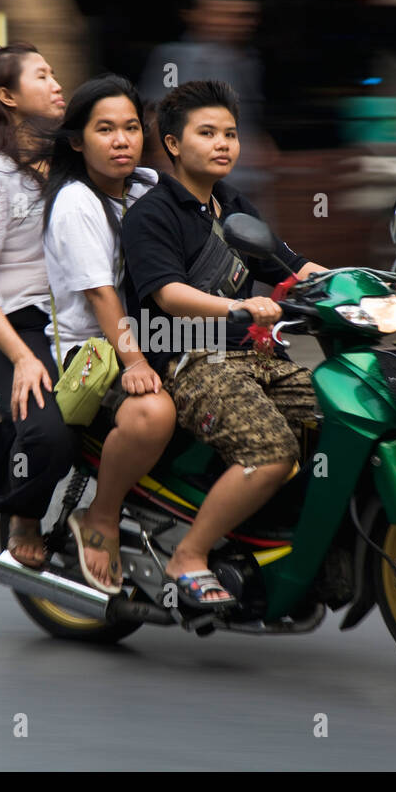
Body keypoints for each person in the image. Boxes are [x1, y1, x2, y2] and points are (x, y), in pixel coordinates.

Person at [120, 80, 327, 608]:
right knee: (271, 452)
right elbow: (167, 294)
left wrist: (344, 283)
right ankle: (188, 555)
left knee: (339, 424)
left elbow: (287, 263)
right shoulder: (152, 214)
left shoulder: (234, 205)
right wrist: (238, 308)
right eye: (207, 133)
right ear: (172, 144)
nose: (222, 144)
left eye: (230, 134)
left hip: (258, 356)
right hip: (192, 359)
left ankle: (289, 543)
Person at [0, 42, 107, 581]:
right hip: (16, 327)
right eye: (41, 76)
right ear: (8, 96)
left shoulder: (75, 165)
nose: (57, 84)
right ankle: (23, 515)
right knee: (52, 431)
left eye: (55, 73)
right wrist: (21, 357)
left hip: (83, 315)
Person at [41, 75, 176, 594]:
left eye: (131, 128)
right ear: (77, 140)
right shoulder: (76, 202)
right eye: (105, 129)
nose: (122, 140)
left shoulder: (146, 185)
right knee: (153, 412)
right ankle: (101, 515)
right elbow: (101, 296)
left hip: (153, 335)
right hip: (94, 351)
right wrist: (136, 362)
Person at [137, 0, 278, 216]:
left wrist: (261, 143)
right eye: (227, 15)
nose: (238, 23)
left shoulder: (247, 60)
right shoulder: (178, 57)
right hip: (203, 185)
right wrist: (174, 172)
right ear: (199, 15)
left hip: (246, 184)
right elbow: (157, 113)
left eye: (245, 16)